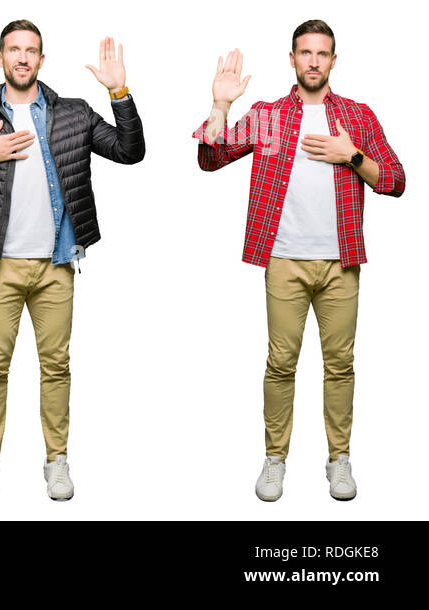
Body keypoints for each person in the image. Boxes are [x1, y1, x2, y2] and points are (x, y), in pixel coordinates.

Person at [0, 20, 144, 502]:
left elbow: (132, 152)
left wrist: (120, 92)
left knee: (57, 365)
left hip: (56, 264)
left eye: (31, 51)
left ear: (42, 60)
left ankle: (57, 460)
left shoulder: (72, 113)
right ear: (0, 58)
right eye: (14, 50)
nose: (22, 58)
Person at [193, 20, 405, 502]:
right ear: (292, 59)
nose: (313, 61)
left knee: (340, 364)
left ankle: (339, 459)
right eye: (305, 53)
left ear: (333, 60)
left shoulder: (358, 116)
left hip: (340, 262)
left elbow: (394, 180)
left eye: (322, 53)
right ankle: (275, 460)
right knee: (281, 363)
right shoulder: (268, 115)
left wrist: (351, 155)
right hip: (284, 260)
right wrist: (221, 105)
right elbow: (210, 158)